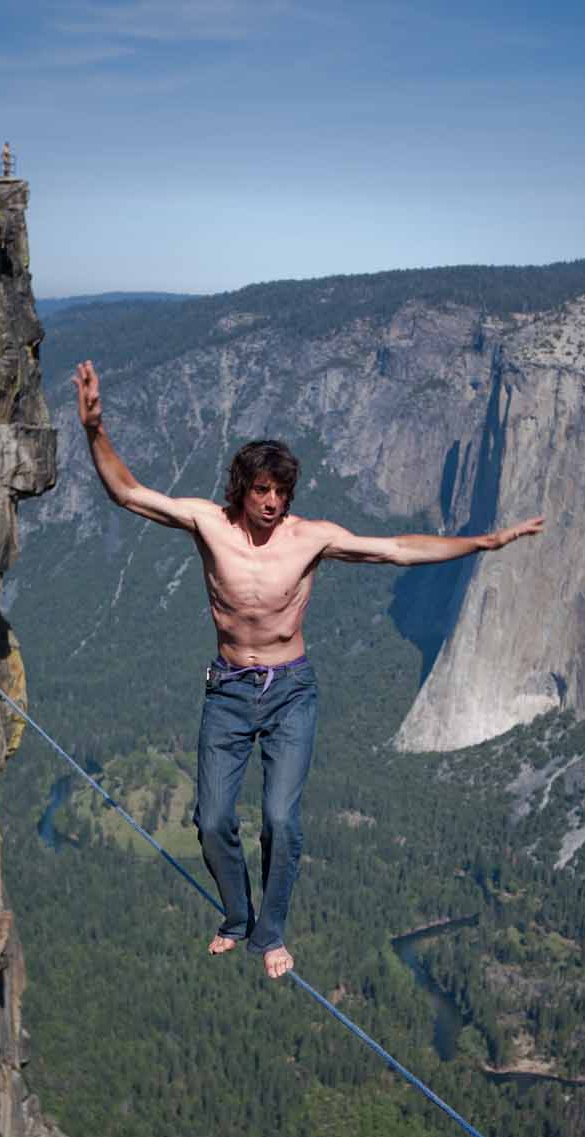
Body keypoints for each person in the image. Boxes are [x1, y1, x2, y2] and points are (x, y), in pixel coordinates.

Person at [73, 360, 543, 979]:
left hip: (292, 692)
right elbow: (129, 492)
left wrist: (480, 544)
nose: (271, 503)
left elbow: (397, 549)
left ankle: (270, 933)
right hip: (229, 690)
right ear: (241, 489)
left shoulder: (310, 537)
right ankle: (237, 916)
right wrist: (94, 429)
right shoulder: (208, 524)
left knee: (280, 820)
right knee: (211, 819)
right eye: (261, 491)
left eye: (280, 492)